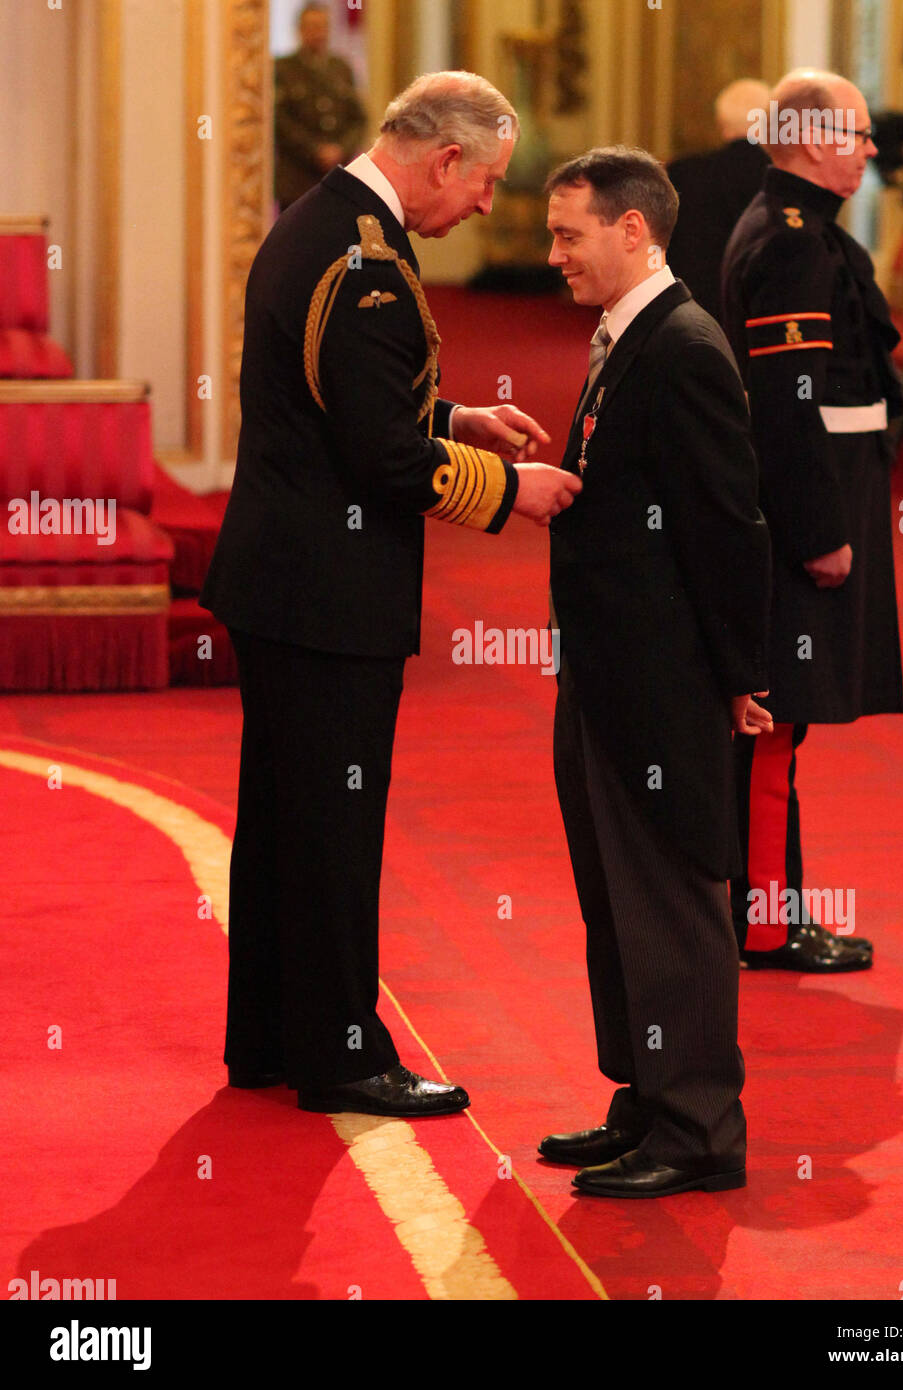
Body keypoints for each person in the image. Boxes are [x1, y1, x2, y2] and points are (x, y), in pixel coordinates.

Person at [201, 71, 581, 1117]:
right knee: (333, 823)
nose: (487, 208)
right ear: (443, 158)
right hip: (327, 589)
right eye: (489, 184)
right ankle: (344, 1055)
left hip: (282, 575)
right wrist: (512, 490)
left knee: (286, 817)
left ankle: (271, 1035)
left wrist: (454, 418)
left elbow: (350, 395)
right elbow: (377, 460)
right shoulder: (364, 259)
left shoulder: (325, 218)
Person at [539, 147, 773, 1198]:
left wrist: (740, 672)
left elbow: (727, 527)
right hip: (602, 670)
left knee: (671, 900)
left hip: (664, 679)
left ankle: (696, 1130)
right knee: (614, 897)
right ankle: (641, 1098)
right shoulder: (624, 336)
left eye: (567, 235)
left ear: (632, 231)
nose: (553, 255)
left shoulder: (682, 346)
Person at [721, 69, 903, 972]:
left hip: (831, 484)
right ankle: (765, 922)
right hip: (808, 500)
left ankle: (773, 913)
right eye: (857, 134)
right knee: (774, 722)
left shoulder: (805, 230)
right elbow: (787, 408)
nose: (870, 151)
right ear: (803, 138)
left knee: (785, 725)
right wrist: (817, 532)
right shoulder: (791, 240)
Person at [665, 79, 771, 319]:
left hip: (687, 309)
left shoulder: (682, 173)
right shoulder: (777, 179)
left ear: (721, 124)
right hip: (754, 314)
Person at [274, 4, 367, 210]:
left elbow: (358, 118)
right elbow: (280, 121)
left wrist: (341, 149)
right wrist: (315, 150)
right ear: (299, 30)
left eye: (321, 26)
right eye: (311, 26)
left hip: (335, 175)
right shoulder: (283, 69)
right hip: (297, 179)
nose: (317, 33)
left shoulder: (340, 68)